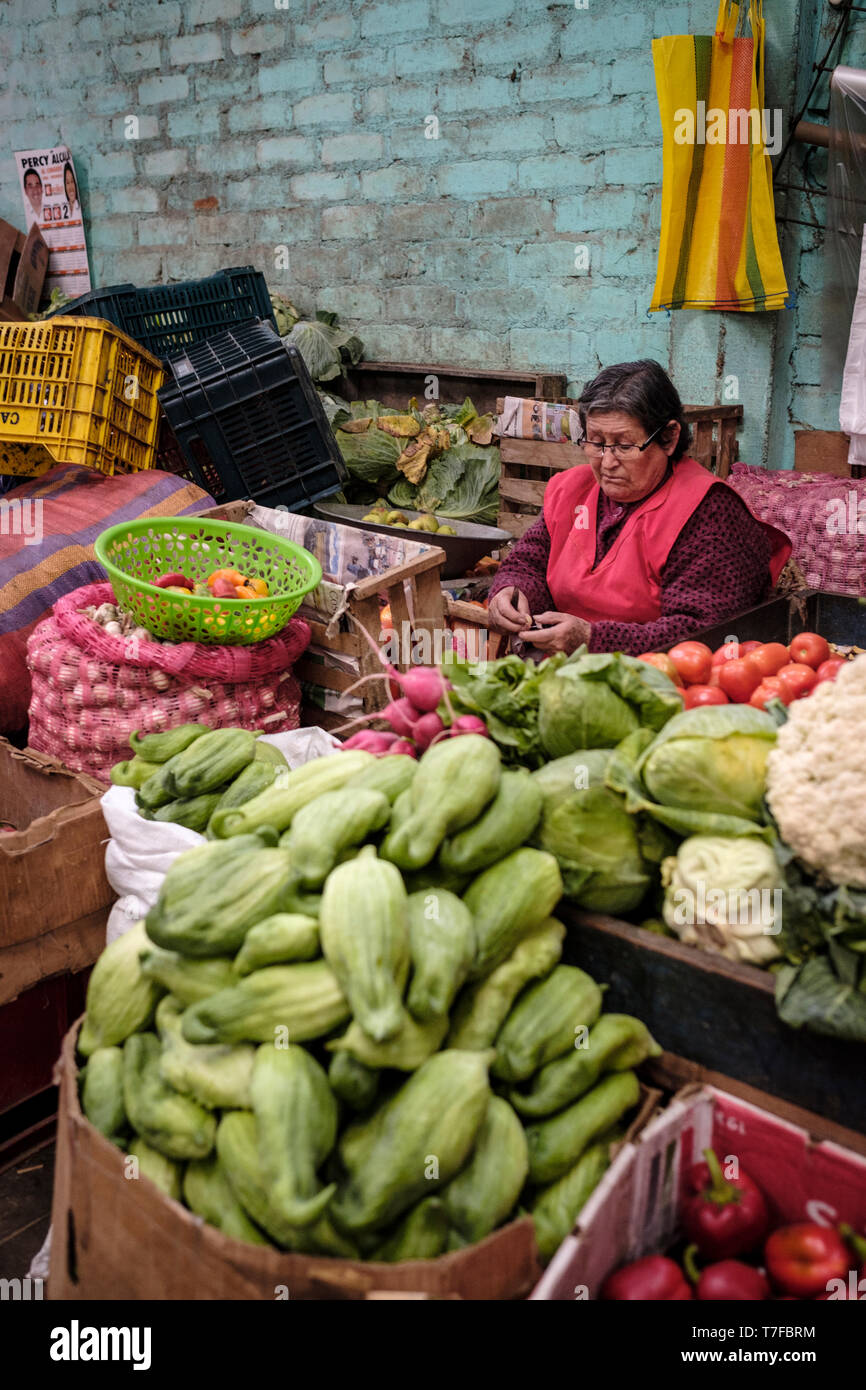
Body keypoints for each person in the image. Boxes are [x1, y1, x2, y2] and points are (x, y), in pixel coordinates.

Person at [488, 359, 791, 657]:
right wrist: (512, 592)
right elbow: (528, 563)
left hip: (663, 683)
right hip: (564, 674)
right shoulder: (572, 491)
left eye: (624, 446)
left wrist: (592, 639)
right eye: (595, 442)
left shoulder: (708, 512)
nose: (607, 462)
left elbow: (703, 632)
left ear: (669, 438)